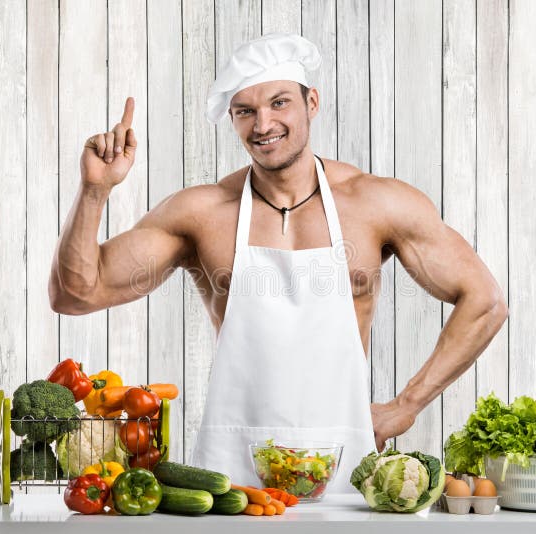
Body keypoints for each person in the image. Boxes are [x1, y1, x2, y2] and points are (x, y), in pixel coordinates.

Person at [49, 33, 508, 493]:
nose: (263, 124)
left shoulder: (376, 203)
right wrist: (95, 190)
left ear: (312, 102)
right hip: (232, 480)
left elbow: (484, 301)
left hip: (346, 465)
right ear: (232, 120)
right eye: (245, 111)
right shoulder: (201, 213)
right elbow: (75, 294)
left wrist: (407, 403)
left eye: (279, 102)